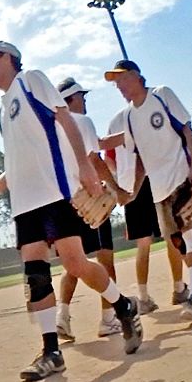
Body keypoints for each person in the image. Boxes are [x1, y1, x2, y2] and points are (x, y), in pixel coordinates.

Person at [0, 41, 142, 382]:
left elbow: (65, 120)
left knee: (75, 264)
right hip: (24, 202)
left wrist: (85, 166)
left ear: (8, 58)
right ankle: (51, 351)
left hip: (54, 192)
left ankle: (124, 306)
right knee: (36, 274)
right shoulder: (4, 109)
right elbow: (17, 159)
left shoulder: (31, 79)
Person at [105, 59, 192, 322]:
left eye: (121, 79)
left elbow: (186, 131)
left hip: (180, 176)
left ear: (136, 75)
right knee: (178, 243)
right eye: (116, 83)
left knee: (189, 236)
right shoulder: (129, 117)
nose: (119, 86)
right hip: (159, 190)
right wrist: (132, 189)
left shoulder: (162, 95)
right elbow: (140, 158)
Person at [52, 78, 125, 341]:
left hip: (64, 203)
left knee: (73, 263)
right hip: (90, 197)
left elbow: (101, 143)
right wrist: (117, 188)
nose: (85, 100)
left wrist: (129, 134)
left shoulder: (52, 126)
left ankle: (62, 317)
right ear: (72, 99)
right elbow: (96, 159)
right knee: (105, 258)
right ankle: (108, 318)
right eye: (81, 96)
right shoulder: (83, 121)